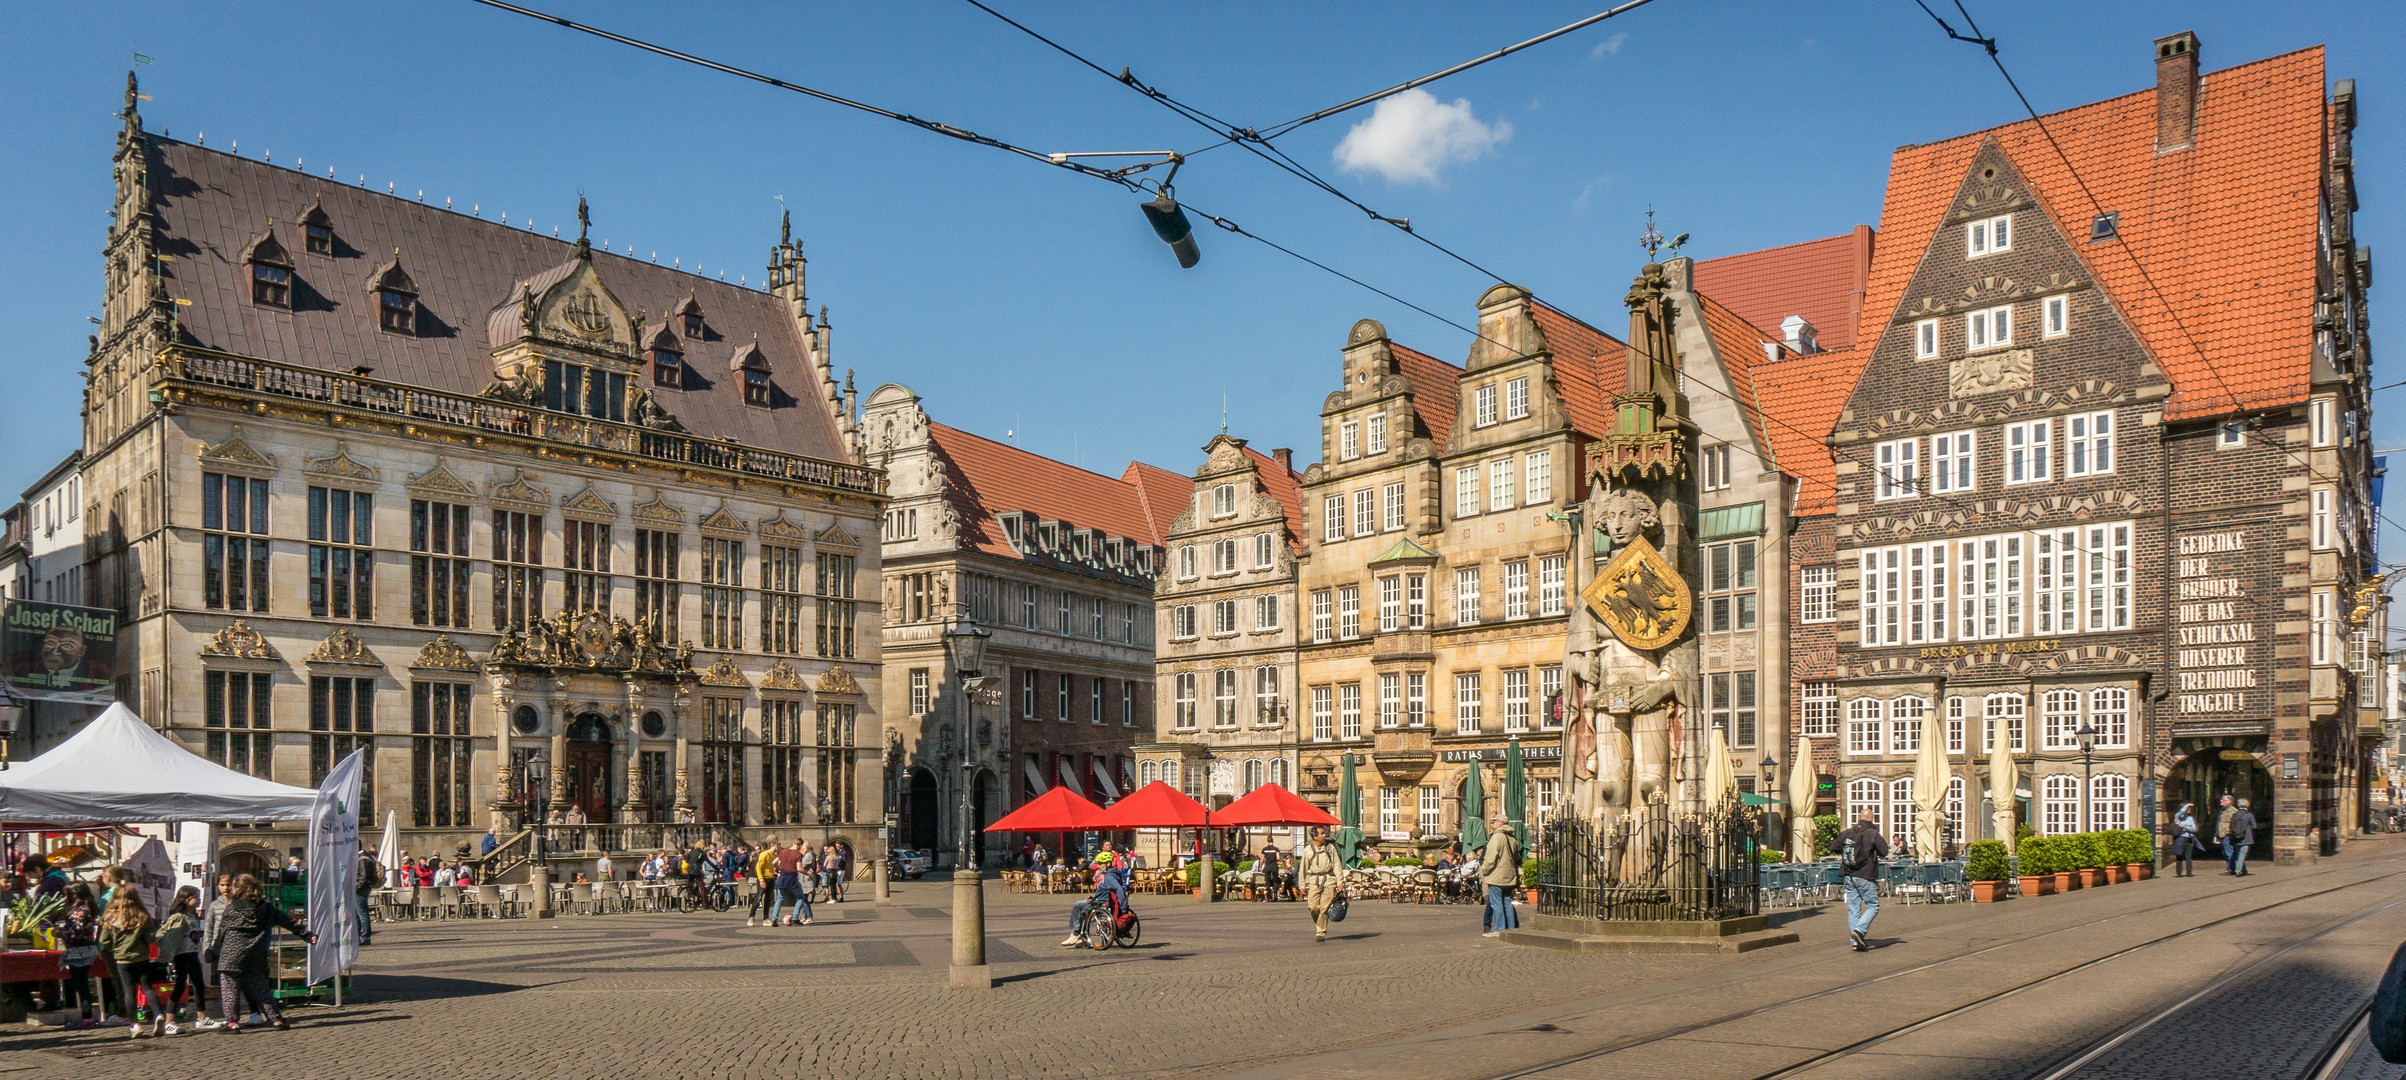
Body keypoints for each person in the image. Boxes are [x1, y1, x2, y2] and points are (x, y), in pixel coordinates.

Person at [208, 874, 316, 1032]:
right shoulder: (266, 908)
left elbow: (222, 932)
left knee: (230, 988)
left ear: (238, 889)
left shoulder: (232, 908)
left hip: (231, 955)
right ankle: (276, 1019)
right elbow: (287, 921)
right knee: (261, 988)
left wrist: (214, 950)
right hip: (255, 955)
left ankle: (232, 1023)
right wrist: (306, 934)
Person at [98, 889, 163, 1038]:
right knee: (147, 987)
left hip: (122, 959)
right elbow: (149, 938)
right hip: (141, 958)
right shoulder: (142, 916)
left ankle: (134, 1024)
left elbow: (104, 941)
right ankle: (159, 1014)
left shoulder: (110, 918)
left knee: (128, 991)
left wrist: (110, 947)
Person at [1836, 808, 1890, 951]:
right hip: (1865, 875)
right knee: (1873, 905)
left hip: (1848, 875)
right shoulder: (1873, 834)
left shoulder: (1847, 832)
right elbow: (1884, 851)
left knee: (1854, 909)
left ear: (1859, 817)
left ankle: (1855, 942)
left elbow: (1834, 846)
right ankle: (1859, 931)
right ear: (1872, 819)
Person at [1060, 842, 1129, 947]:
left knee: (1078, 905)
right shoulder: (1109, 874)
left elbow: (1119, 890)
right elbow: (1106, 891)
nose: (1099, 866)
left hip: (1102, 903)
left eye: (1101, 864)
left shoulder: (1109, 876)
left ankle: (1076, 933)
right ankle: (1082, 936)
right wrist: (1094, 897)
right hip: (1100, 900)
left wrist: (1123, 909)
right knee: (1082, 907)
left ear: (1108, 864)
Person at [159, 887, 203, 1034]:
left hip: (192, 953)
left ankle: (202, 1018)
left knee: (199, 985)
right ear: (185, 899)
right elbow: (165, 934)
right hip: (182, 954)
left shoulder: (193, 915)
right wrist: (168, 953)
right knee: (180, 985)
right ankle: (169, 1021)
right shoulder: (179, 916)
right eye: (195, 896)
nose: (199, 899)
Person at [51, 896, 100, 1023]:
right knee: (82, 983)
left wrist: (58, 933)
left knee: (81, 984)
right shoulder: (88, 909)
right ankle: (86, 1014)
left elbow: (66, 930)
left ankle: (87, 1015)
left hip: (77, 951)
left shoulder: (77, 911)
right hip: (86, 951)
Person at [1478, 813, 1521, 938]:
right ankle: (1511, 929)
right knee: (1507, 902)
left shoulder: (1497, 837)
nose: (1492, 824)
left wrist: (1484, 870)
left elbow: (1491, 858)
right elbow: (1516, 857)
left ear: (1500, 824)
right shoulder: (1512, 838)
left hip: (1497, 875)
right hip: (1509, 875)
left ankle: (1499, 929)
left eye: (1494, 822)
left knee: (1496, 903)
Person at [1299, 826, 1342, 943]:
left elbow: (1337, 865)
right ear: (1315, 836)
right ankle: (1320, 923)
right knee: (1312, 907)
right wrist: (1302, 885)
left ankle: (1320, 932)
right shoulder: (1308, 850)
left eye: (1324, 833)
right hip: (1314, 880)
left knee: (1324, 908)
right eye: (1322, 833)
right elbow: (1302, 869)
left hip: (1329, 879)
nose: (1324, 835)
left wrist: (1340, 881)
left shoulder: (1330, 848)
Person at [355, 847, 381, 946]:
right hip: (362, 888)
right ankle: (357, 936)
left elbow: (363, 876)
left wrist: (356, 888)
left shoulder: (363, 859)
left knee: (362, 913)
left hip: (361, 889)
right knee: (357, 914)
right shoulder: (365, 856)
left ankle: (365, 937)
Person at [2228, 798, 2259, 876]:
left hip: (2235, 837)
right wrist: (2247, 828)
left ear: (2238, 805)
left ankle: (2244, 870)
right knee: (2242, 855)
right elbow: (2254, 826)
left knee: (2239, 854)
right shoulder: (2249, 815)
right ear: (2247, 805)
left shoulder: (2234, 815)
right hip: (2246, 837)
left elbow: (2231, 826)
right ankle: (2238, 871)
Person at [2215, 794, 2243, 875]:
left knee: (2229, 852)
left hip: (2227, 835)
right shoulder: (2222, 810)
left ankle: (2231, 869)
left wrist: (2229, 831)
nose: (2221, 801)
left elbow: (2235, 823)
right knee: (2225, 852)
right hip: (2222, 834)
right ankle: (2230, 868)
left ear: (2229, 802)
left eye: (2223, 800)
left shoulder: (2232, 811)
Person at [2172, 803, 2201, 877]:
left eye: (2189, 808)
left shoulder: (2190, 818)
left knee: (2188, 855)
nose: (2189, 809)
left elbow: (2194, 829)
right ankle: (2179, 873)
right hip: (2181, 837)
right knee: (2179, 855)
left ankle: (2189, 872)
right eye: (2188, 808)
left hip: (2189, 837)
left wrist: (2185, 827)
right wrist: (2187, 804)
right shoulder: (2178, 817)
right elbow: (2181, 812)